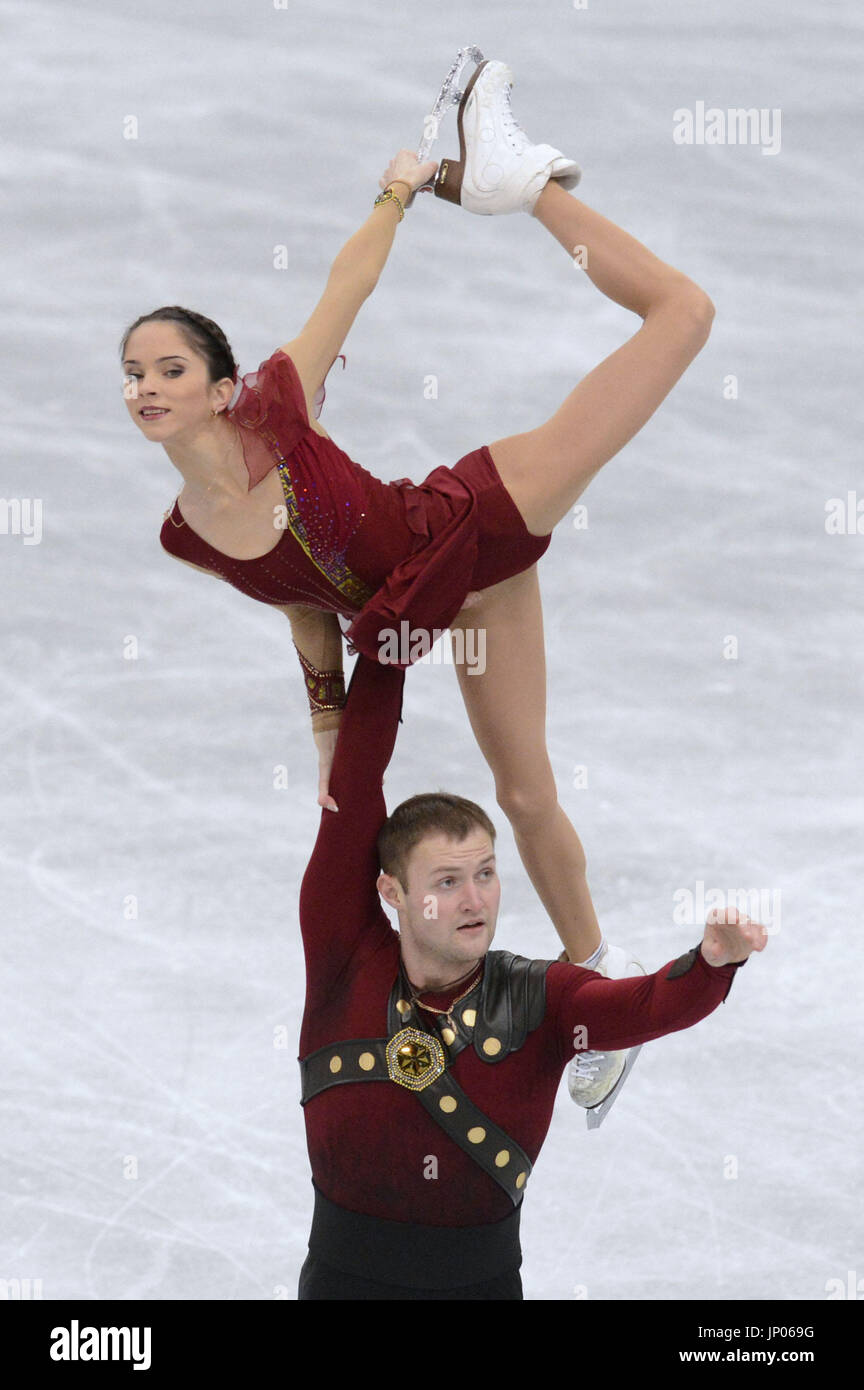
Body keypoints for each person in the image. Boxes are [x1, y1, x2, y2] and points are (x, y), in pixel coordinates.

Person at [119, 58, 715, 1107]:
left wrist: (401, 190)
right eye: (135, 371)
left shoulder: (274, 409)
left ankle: (526, 186)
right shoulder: (190, 532)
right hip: (458, 604)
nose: (148, 386)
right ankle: (603, 1004)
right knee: (527, 792)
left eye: (170, 369)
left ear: (218, 387)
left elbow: (346, 284)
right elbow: (300, 599)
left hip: (477, 519)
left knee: (684, 313)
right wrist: (324, 745)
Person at [295, 649, 767, 1300]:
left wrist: (716, 961)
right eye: (448, 882)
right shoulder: (344, 961)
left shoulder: (540, 997)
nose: (475, 900)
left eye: (486, 874)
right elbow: (356, 780)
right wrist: (388, 649)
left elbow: (647, 1006)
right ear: (392, 892)